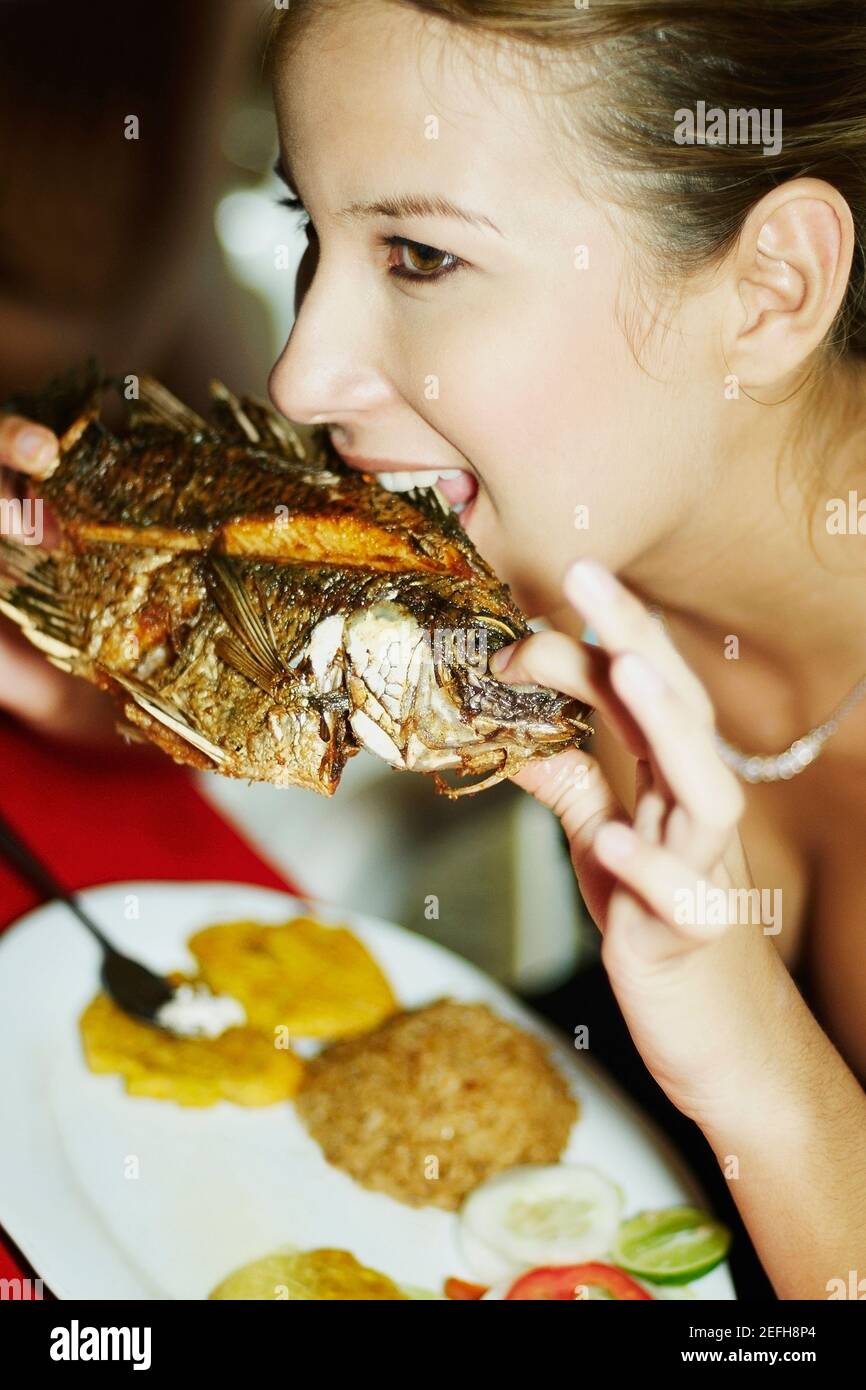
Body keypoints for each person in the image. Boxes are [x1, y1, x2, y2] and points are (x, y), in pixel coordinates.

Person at [264, 0, 866, 1299]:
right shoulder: (556, 566)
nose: (299, 376)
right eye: (305, 233)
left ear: (769, 290)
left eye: (418, 255)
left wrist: (765, 1082)